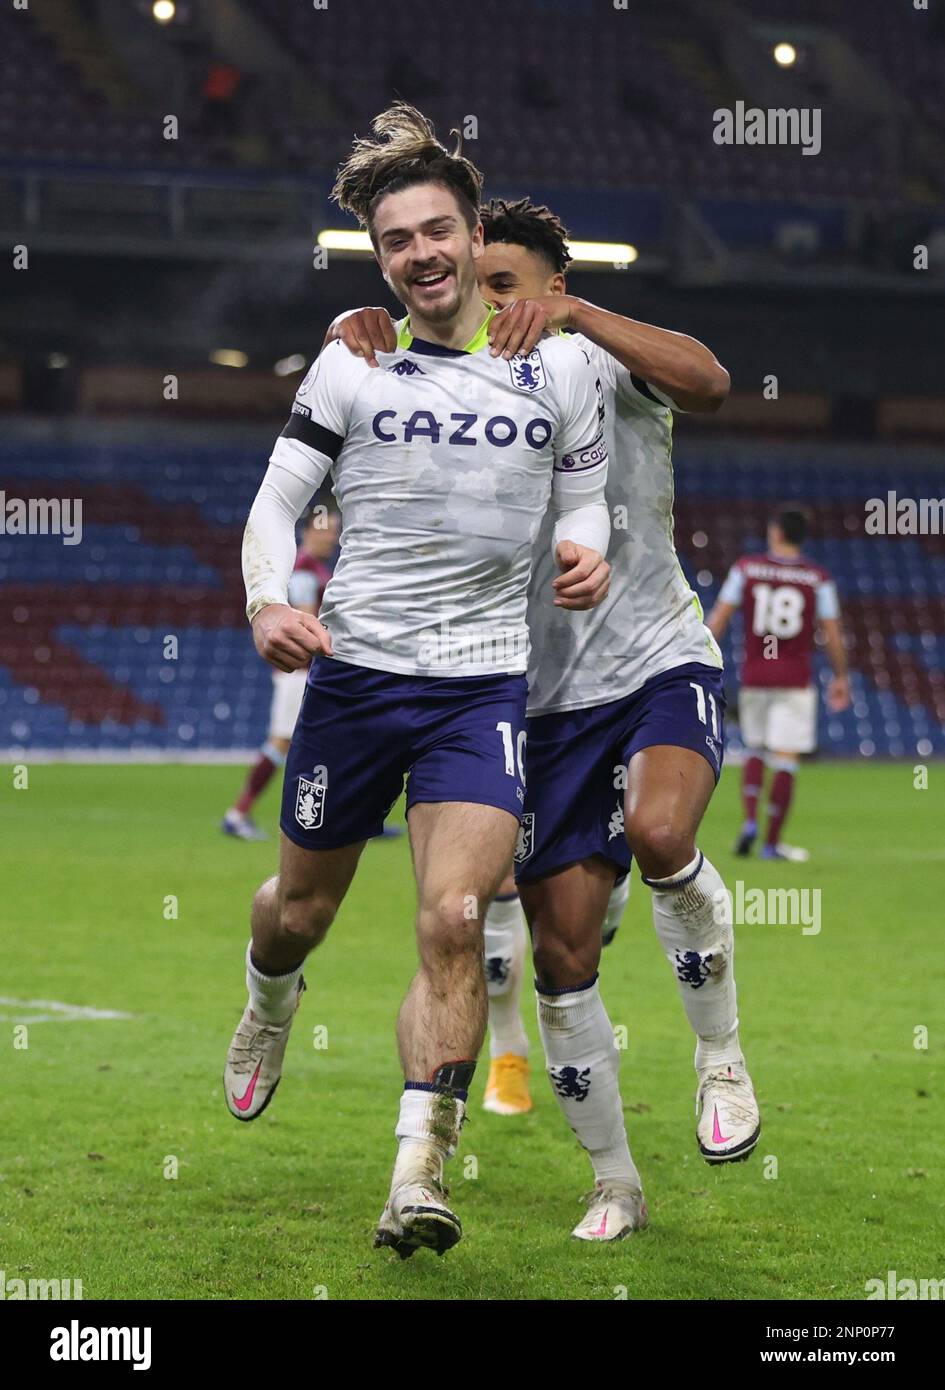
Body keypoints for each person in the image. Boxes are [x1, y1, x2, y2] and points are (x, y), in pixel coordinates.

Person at [329, 195, 761, 1243]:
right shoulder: (451, 384)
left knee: (663, 833)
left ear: (552, 285)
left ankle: (721, 1055)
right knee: (563, 960)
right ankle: (616, 1180)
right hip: (538, 701)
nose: (491, 303)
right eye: (481, 286)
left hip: (656, 657)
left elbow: (710, 382)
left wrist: (580, 317)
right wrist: (357, 335)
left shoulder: (605, 357)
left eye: (509, 285)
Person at [224, 106, 613, 1260]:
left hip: (480, 688)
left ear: (471, 228)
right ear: (381, 256)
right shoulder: (353, 363)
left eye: (438, 230)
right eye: (398, 241)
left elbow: (585, 494)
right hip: (354, 681)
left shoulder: (561, 366)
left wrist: (589, 544)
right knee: (299, 915)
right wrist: (265, 601)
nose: (422, 254)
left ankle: (417, 1173)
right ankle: (266, 1002)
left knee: (454, 917)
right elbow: (273, 506)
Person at [707, 508, 850, 861]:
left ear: (775, 533)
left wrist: (702, 662)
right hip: (794, 678)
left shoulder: (747, 568)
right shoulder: (817, 578)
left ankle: (751, 820)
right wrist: (841, 675)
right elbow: (832, 631)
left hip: (756, 674)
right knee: (785, 757)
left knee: (755, 747)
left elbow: (719, 618)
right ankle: (771, 843)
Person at [222, 509, 338, 841]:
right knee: (281, 743)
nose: (333, 536)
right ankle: (238, 813)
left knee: (332, 741)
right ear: (311, 531)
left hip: (306, 671)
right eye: (329, 530)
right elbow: (306, 619)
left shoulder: (316, 569)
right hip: (300, 673)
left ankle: (351, 818)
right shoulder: (304, 570)